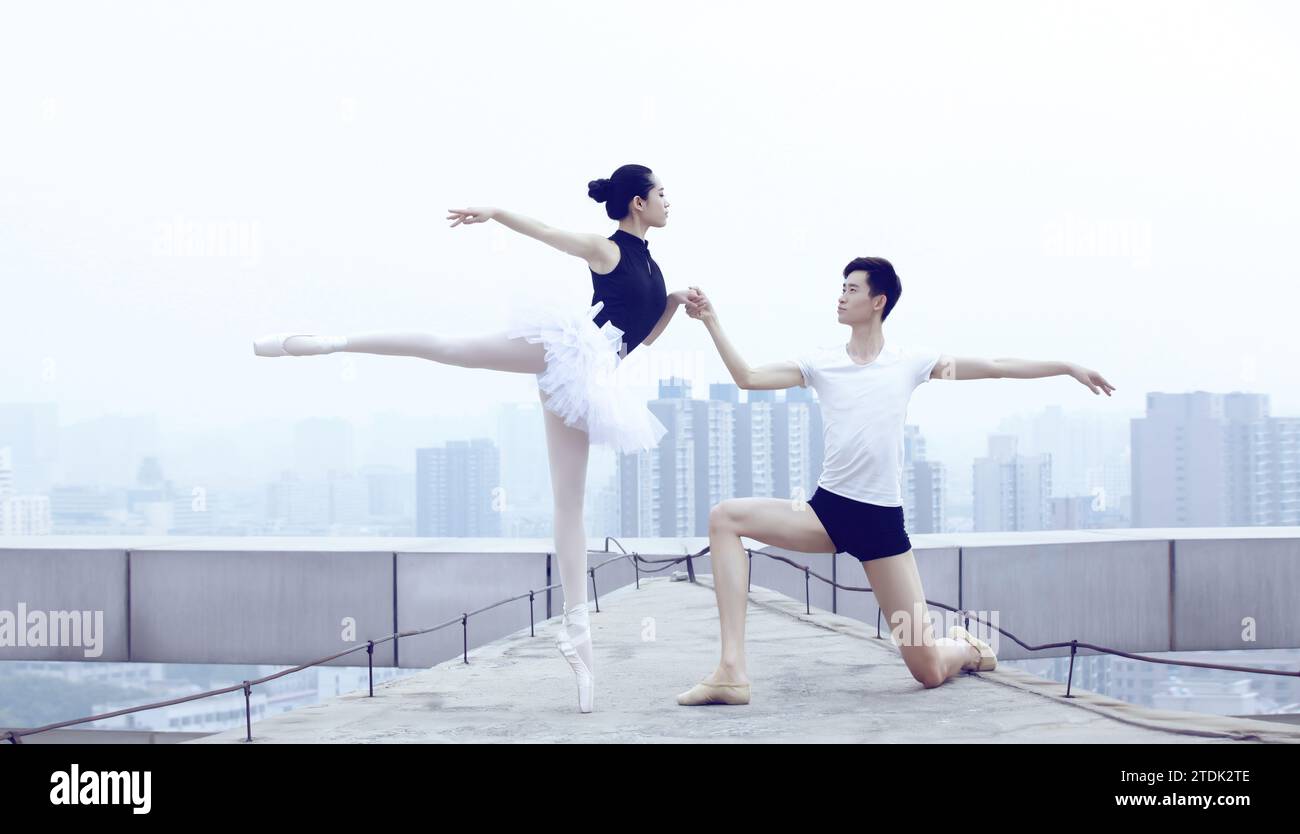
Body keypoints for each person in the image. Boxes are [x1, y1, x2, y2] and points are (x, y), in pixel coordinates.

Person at [252, 164, 692, 713]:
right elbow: (547, 233)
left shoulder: (652, 262)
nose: (668, 202)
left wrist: (673, 302)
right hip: (567, 352)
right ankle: (331, 341)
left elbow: (644, 338)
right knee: (453, 348)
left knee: (570, 504)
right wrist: (496, 213)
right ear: (636, 202)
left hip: (591, 380)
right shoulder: (610, 250)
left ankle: (576, 630)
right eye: (661, 194)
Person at [676, 257, 1115, 705]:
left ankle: (965, 646)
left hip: (881, 526)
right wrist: (711, 320)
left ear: (878, 301)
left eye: (851, 289)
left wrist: (1066, 365)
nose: (841, 296)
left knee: (926, 670)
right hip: (825, 513)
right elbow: (747, 378)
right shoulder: (821, 364)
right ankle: (731, 671)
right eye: (841, 287)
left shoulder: (910, 363)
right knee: (724, 518)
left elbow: (995, 365)